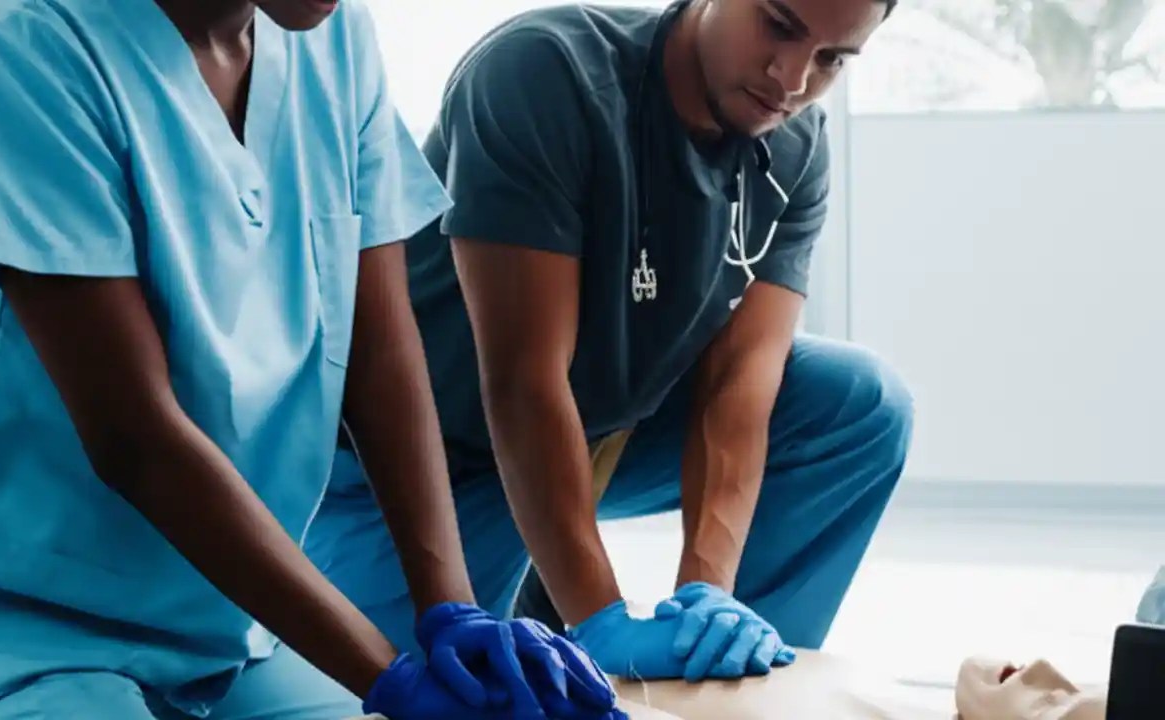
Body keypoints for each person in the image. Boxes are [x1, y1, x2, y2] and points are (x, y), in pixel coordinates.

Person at [0, 0, 620, 718]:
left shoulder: (333, 43)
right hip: (2, 631)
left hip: (223, 631)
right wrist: (389, 678)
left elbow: (382, 353)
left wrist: (452, 614)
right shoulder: (23, 50)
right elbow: (134, 438)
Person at [307, 0, 913, 685]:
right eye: (779, 25)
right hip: (427, 467)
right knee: (430, 690)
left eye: (834, 58)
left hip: (604, 435)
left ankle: (732, 681)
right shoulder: (544, 73)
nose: (794, 79)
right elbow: (521, 383)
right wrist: (600, 617)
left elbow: (742, 381)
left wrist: (707, 592)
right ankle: (552, 593)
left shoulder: (796, 147)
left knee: (856, 404)